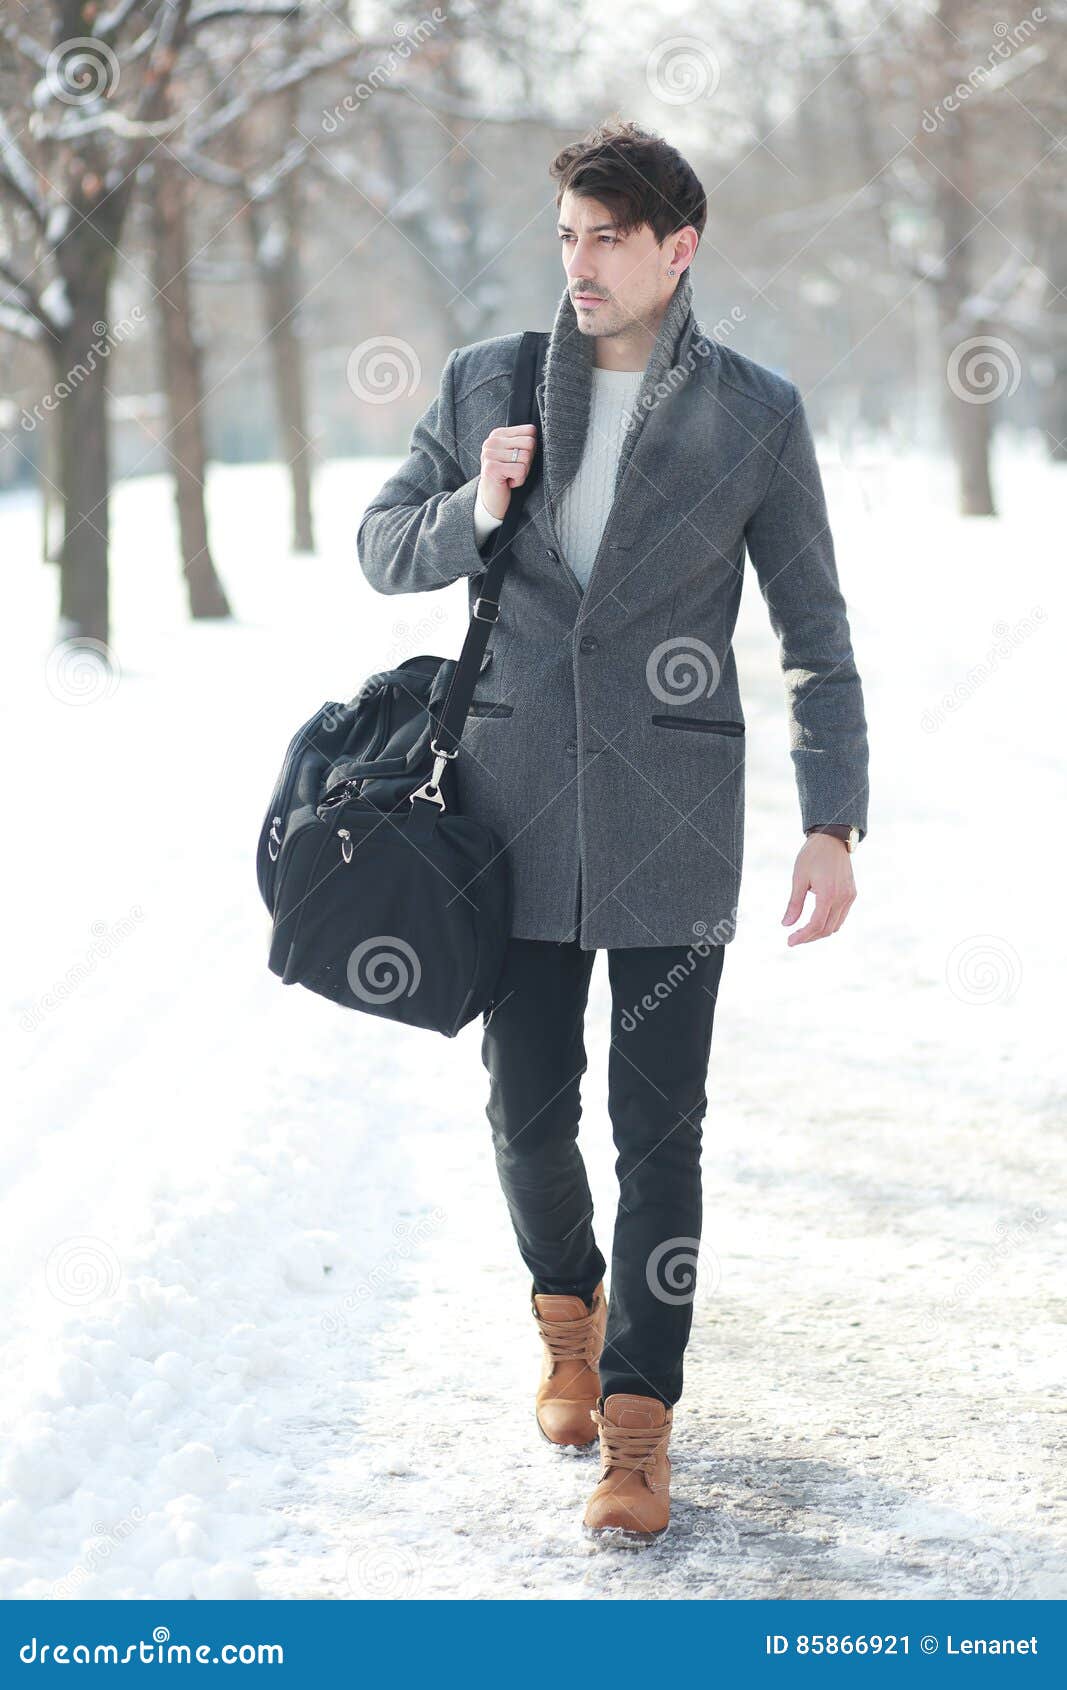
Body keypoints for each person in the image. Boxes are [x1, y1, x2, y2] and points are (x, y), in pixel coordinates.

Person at [357, 118, 869, 1544]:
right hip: (510, 815)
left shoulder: (755, 412)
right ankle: (565, 1319)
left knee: (663, 1129)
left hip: (670, 817)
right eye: (566, 235)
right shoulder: (489, 384)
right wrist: (481, 499)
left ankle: (638, 1424)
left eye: (608, 238)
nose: (578, 262)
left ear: (676, 248)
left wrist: (834, 820)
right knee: (526, 1111)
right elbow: (382, 545)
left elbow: (815, 634)